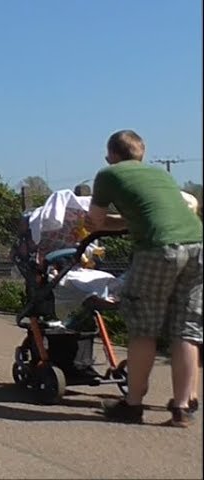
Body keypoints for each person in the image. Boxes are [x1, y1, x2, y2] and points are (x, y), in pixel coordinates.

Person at [86, 130, 202, 427]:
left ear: (111, 154)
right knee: (186, 329)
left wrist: (95, 222)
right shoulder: (160, 176)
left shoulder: (108, 175)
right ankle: (182, 407)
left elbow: (95, 221)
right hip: (197, 245)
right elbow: (145, 214)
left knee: (143, 327)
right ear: (142, 153)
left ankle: (132, 404)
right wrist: (124, 221)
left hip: (158, 249)